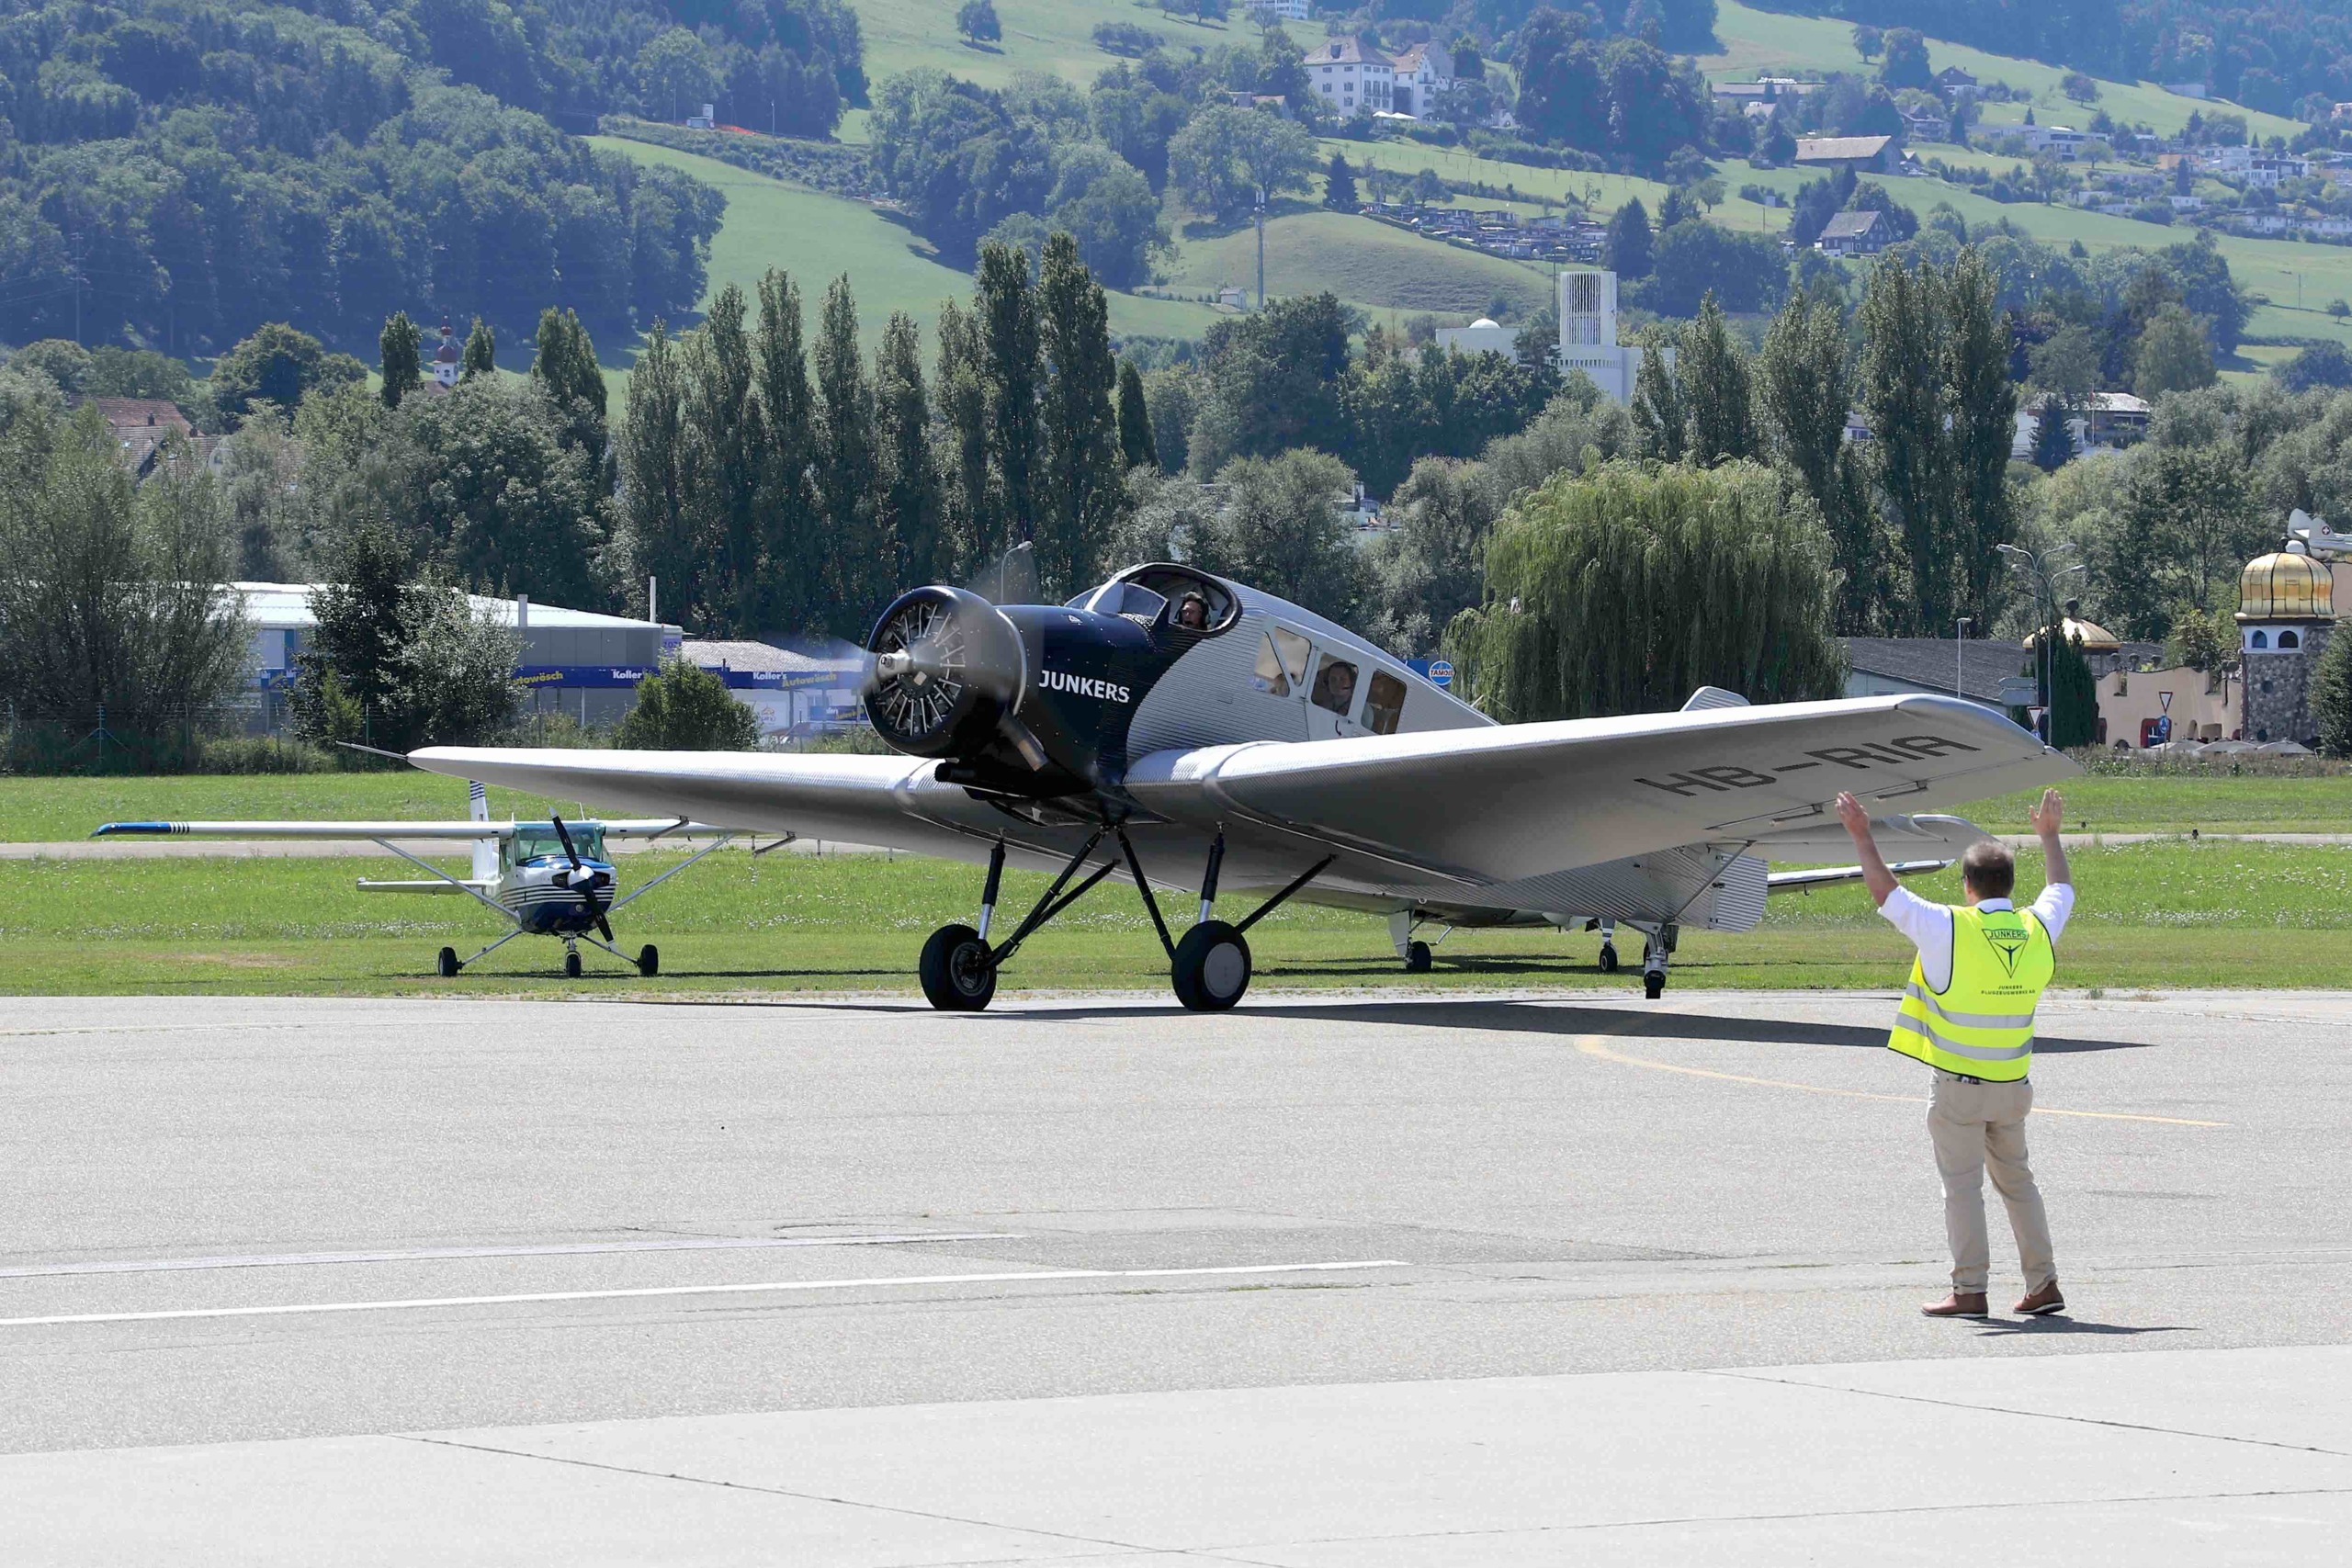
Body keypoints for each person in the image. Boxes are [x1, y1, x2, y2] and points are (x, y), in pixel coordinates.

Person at [1836, 787, 2074, 1320]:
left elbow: (1888, 895)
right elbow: (2060, 888)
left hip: (1959, 1090)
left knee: (1962, 1188)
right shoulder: (2037, 928)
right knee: (2019, 1183)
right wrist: (2051, 837)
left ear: (1967, 887)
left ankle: (1970, 1290)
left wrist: (1862, 835)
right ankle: (2044, 1283)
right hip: (2014, 1087)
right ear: (2009, 886)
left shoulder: (1948, 927)